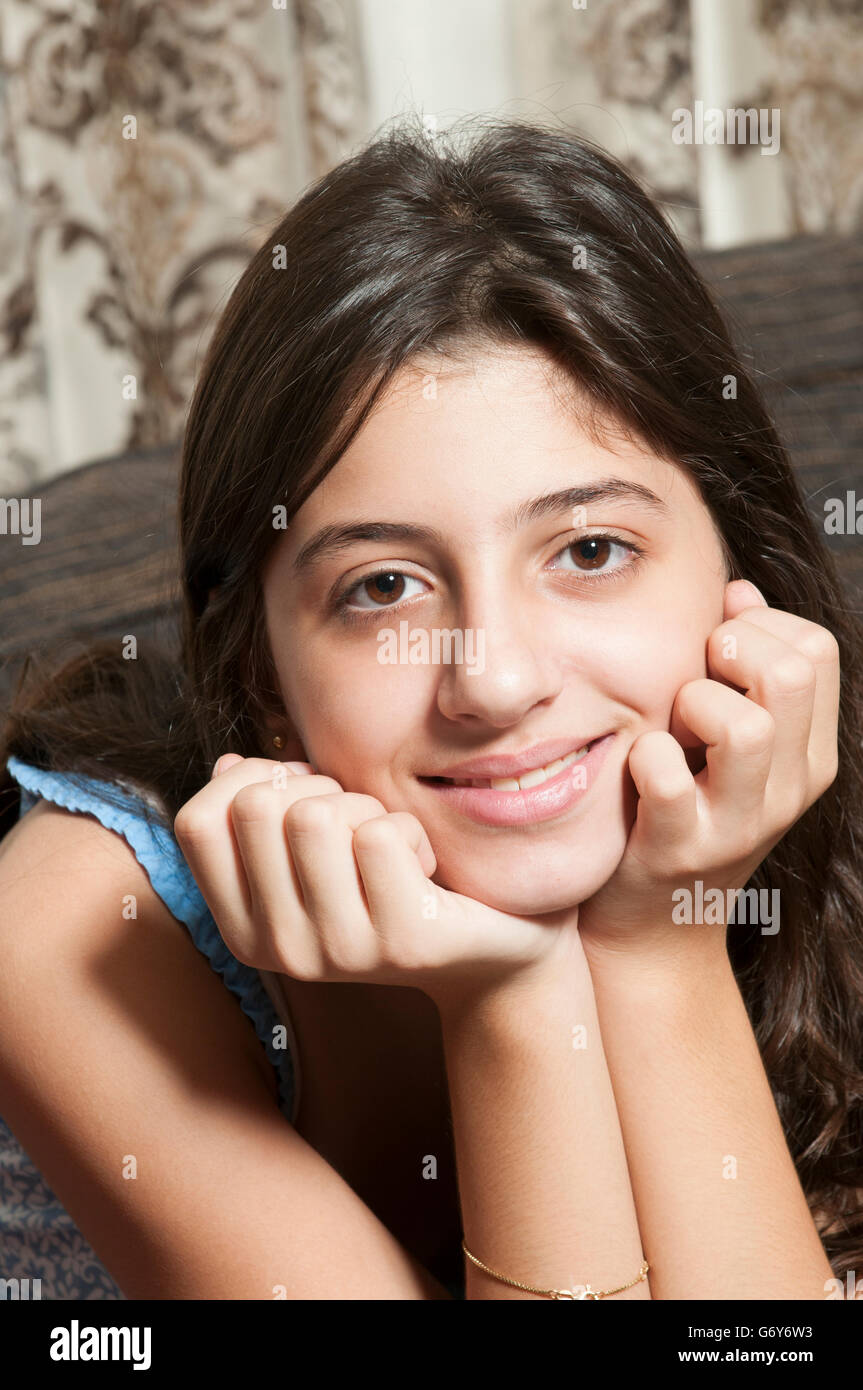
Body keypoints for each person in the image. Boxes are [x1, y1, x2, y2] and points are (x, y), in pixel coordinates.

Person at [1, 114, 861, 1301]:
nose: (493, 681)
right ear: (257, 673)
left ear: (739, 575)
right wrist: (512, 1002)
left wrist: (659, 947)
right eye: (383, 586)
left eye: (589, 550)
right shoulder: (69, 929)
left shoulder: (779, 828)